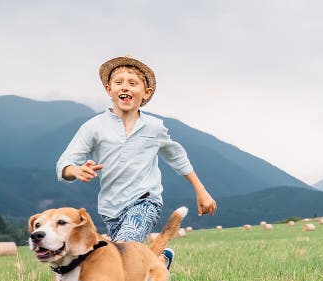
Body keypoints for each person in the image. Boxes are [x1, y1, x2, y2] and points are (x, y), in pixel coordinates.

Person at [56, 55, 216, 268]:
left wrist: (200, 190)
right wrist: (75, 170)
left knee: (120, 252)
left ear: (146, 93)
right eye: (119, 82)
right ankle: (159, 260)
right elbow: (64, 164)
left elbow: (176, 156)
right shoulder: (93, 127)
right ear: (108, 89)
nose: (125, 87)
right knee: (122, 261)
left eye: (132, 83)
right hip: (110, 208)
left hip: (145, 201)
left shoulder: (154, 127)